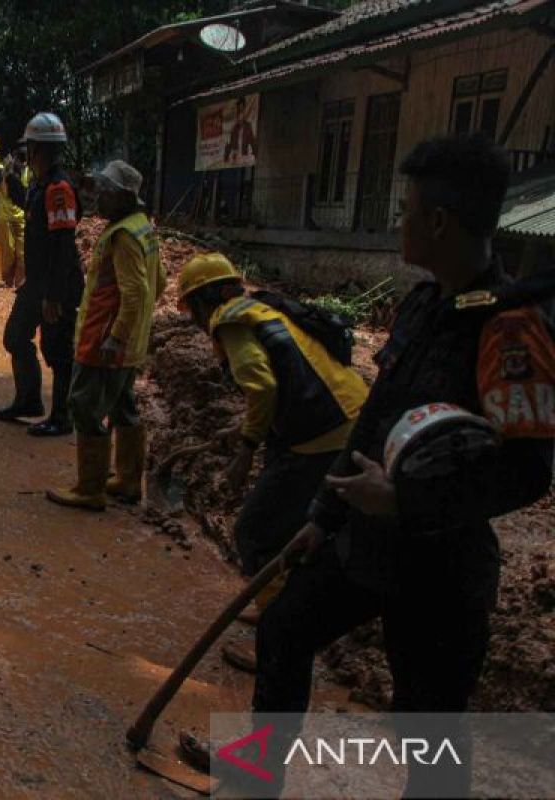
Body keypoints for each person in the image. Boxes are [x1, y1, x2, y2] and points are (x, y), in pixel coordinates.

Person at [249, 135, 555, 797]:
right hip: (366, 546)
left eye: (406, 210)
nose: (399, 222)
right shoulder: (421, 307)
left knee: (429, 731)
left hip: (443, 571)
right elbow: (375, 415)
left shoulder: (510, 331)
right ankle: (252, 785)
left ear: (438, 222)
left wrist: (403, 501)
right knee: (281, 630)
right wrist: (323, 514)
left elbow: (528, 472)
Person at [176, 252, 369, 672]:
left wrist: (247, 448)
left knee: (257, 531)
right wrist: (246, 428)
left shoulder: (228, 322)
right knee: (287, 527)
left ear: (203, 301)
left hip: (324, 437)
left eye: (191, 309)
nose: (194, 320)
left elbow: (262, 386)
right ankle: (277, 610)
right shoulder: (264, 308)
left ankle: (279, 636)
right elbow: (284, 378)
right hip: (348, 419)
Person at [46, 160, 164, 510]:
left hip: (105, 340)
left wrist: (116, 335)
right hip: (130, 341)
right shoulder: (143, 228)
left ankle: (90, 488)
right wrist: (133, 329)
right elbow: (158, 282)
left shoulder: (123, 236)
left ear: (124, 197)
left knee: (84, 405)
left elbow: (137, 290)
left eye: (106, 192)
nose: (98, 197)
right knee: (123, 405)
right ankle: (128, 479)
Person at [0, 112, 82, 437]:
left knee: (58, 351)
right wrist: (11, 180)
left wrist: (54, 296)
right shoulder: (41, 185)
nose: (26, 154)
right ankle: (29, 400)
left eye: (29, 148)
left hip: (57, 284)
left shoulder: (59, 189)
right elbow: (31, 209)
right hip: (38, 282)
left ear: (39, 149)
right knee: (16, 336)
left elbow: (62, 244)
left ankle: (62, 416)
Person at [0, 145, 30, 288]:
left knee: (22, 251)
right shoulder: (3, 172)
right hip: (4, 216)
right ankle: (8, 280)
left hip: (21, 216)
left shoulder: (29, 173)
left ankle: (19, 282)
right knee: (8, 249)